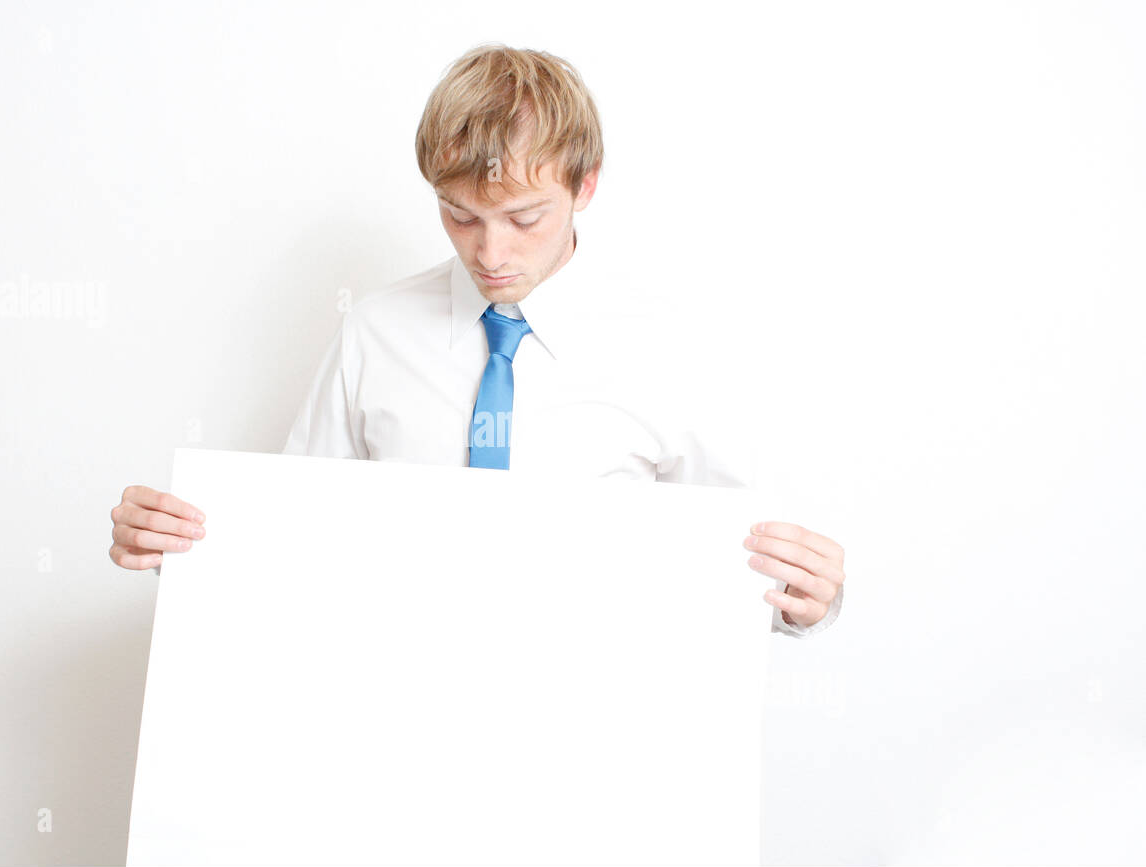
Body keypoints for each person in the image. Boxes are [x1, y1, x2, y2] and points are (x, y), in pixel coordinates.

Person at [109, 44, 845, 638]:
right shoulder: (374, 335)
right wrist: (175, 550)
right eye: (460, 216)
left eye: (524, 219)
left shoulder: (667, 352)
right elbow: (289, 552)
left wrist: (807, 600)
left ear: (585, 185)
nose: (490, 252)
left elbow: (740, 568)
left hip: (594, 746)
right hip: (393, 730)